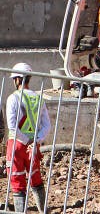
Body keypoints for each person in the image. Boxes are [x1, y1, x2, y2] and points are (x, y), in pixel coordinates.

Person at [5, 62, 50, 213]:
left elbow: (12, 126)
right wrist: (36, 140)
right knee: (35, 177)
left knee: (17, 180)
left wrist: (24, 140)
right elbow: (46, 126)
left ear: (17, 79)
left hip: (17, 145)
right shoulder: (38, 98)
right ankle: (42, 210)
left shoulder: (13, 98)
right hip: (33, 146)